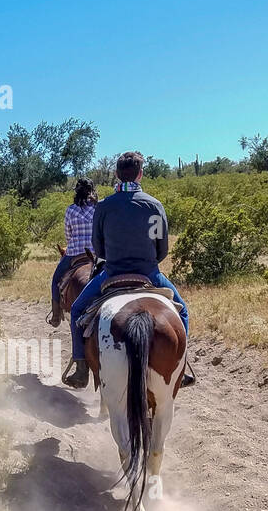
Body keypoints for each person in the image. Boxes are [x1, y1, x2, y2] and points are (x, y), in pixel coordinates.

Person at [62, 150, 192, 389]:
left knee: (79, 309)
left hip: (112, 272)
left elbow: (98, 247)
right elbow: (162, 249)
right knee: (182, 312)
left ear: (116, 174)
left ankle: (81, 367)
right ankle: (181, 368)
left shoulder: (104, 206)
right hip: (150, 273)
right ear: (140, 174)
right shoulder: (155, 205)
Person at [48, 178, 98, 326]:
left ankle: (56, 316)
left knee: (56, 279)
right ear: (92, 191)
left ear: (76, 192)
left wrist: (74, 242)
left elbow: (68, 234)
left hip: (74, 252)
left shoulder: (71, 209)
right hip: (96, 253)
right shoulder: (98, 208)